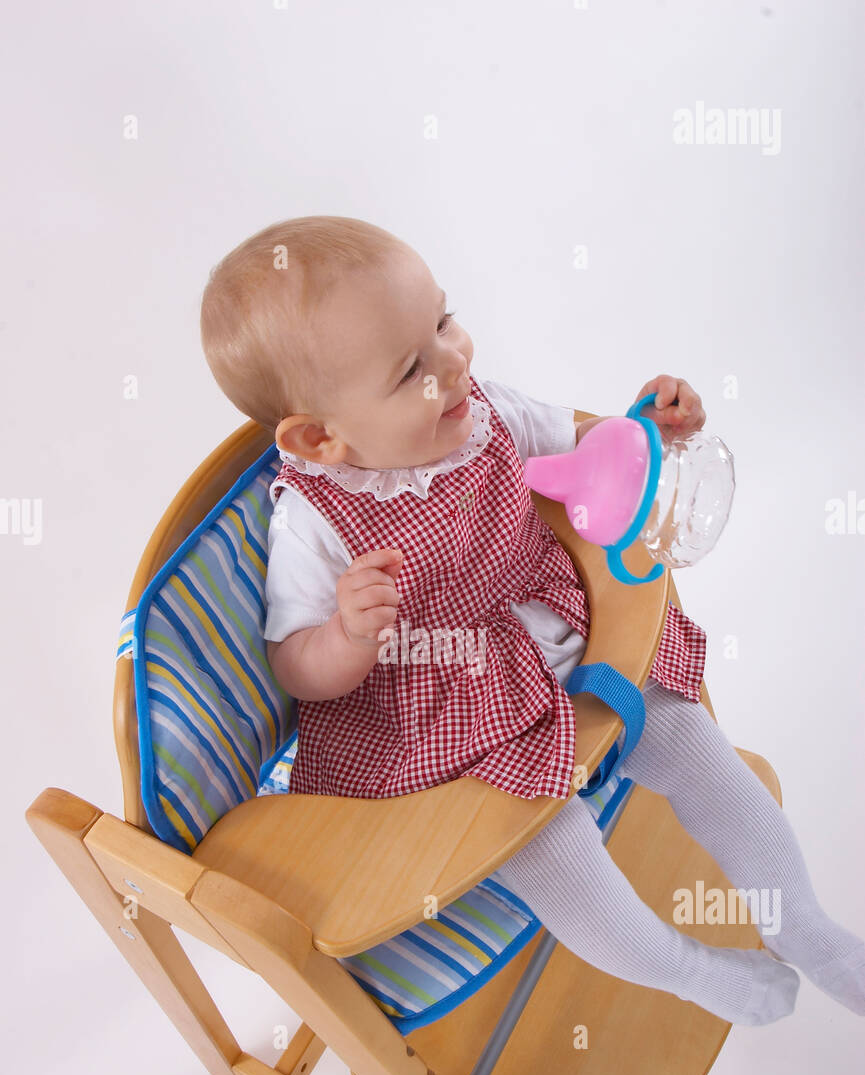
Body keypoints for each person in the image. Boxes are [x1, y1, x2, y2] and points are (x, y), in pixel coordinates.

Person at [200, 214, 865, 1028]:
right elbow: (292, 665)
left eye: (442, 320)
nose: (455, 358)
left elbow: (579, 446)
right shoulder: (313, 521)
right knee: (558, 862)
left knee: (696, 747)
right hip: (442, 722)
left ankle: (806, 928)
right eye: (413, 366)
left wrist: (640, 435)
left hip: (552, 635)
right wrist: (343, 638)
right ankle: (687, 970)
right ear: (319, 437)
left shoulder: (474, 410)